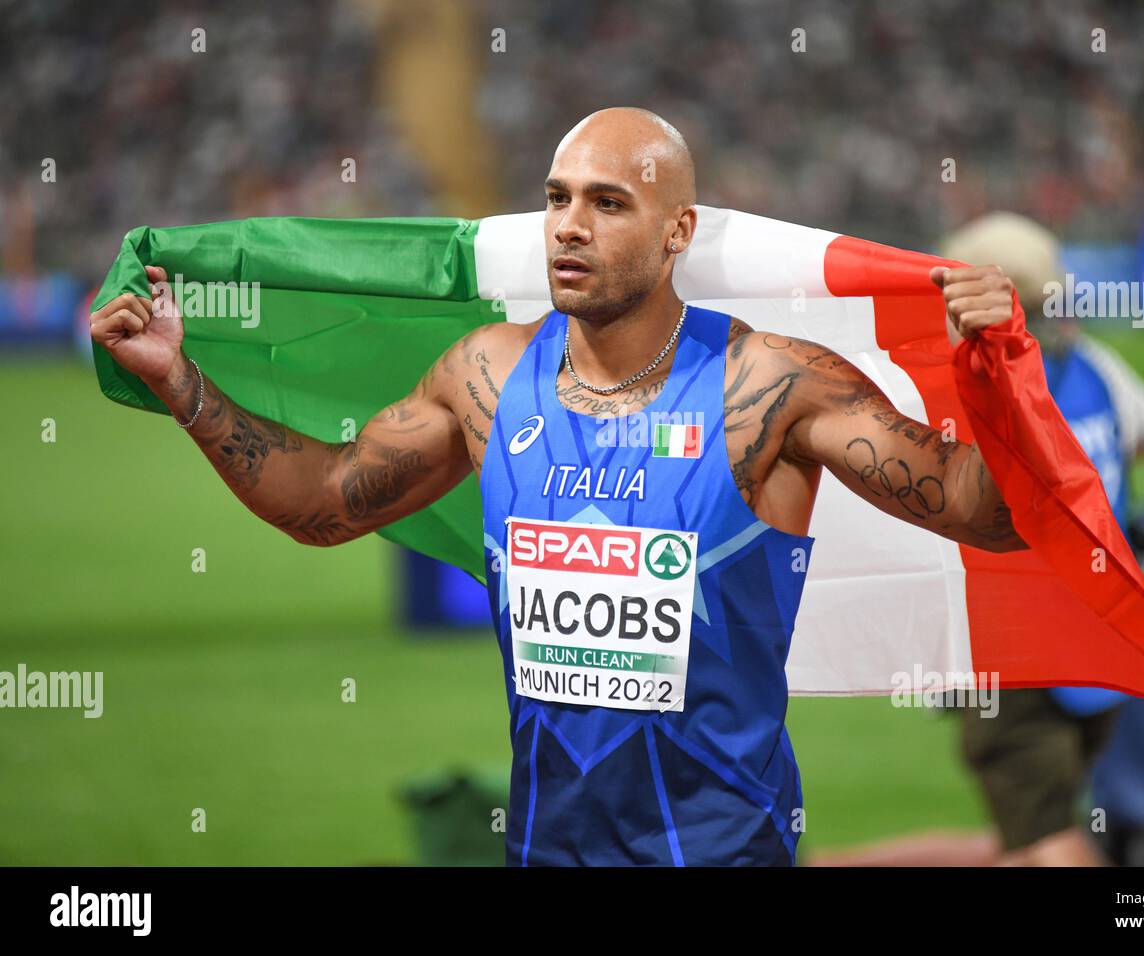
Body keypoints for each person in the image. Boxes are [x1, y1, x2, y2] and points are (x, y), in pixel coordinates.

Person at [89, 107, 1028, 866]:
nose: (569, 224)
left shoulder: (767, 386)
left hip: (721, 853)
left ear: (677, 234)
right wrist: (179, 380)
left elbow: (981, 513)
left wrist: (995, 375)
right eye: (556, 197)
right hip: (545, 851)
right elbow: (327, 502)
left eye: (608, 203)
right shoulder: (485, 378)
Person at [943, 212, 1144, 867]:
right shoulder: (1097, 365)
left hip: (1020, 653)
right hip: (1111, 636)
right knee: (1069, 818)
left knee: (1040, 840)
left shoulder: (976, 385)